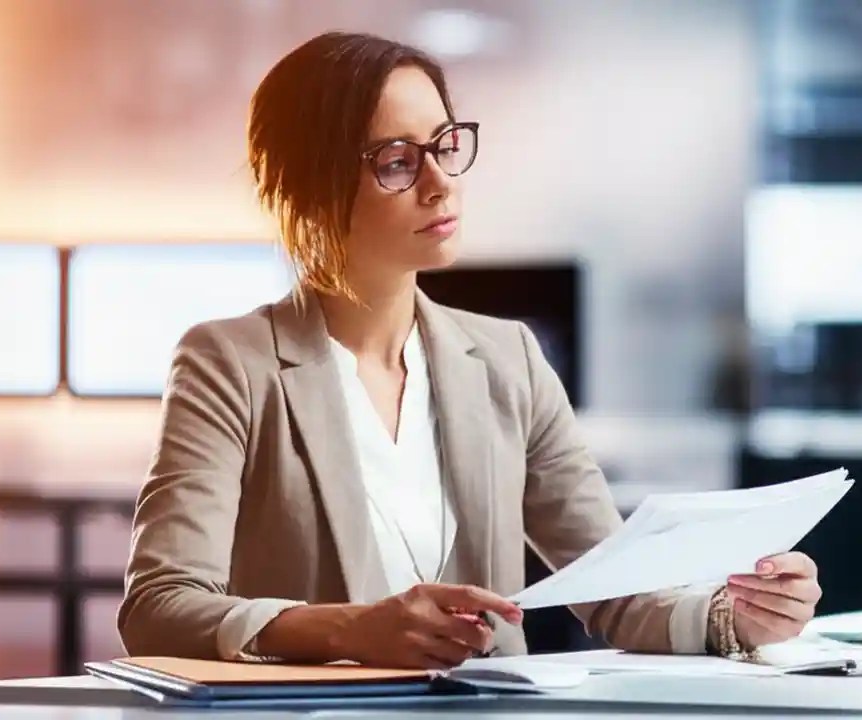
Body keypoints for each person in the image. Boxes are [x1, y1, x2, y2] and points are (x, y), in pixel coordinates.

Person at [117, 31, 821, 669]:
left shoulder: (507, 358)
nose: (440, 181)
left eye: (445, 144)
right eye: (396, 160)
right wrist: (348, 631)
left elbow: (615, 591)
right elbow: (160, 606)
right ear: (307, 186)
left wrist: (736, 614)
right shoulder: (229, 363)